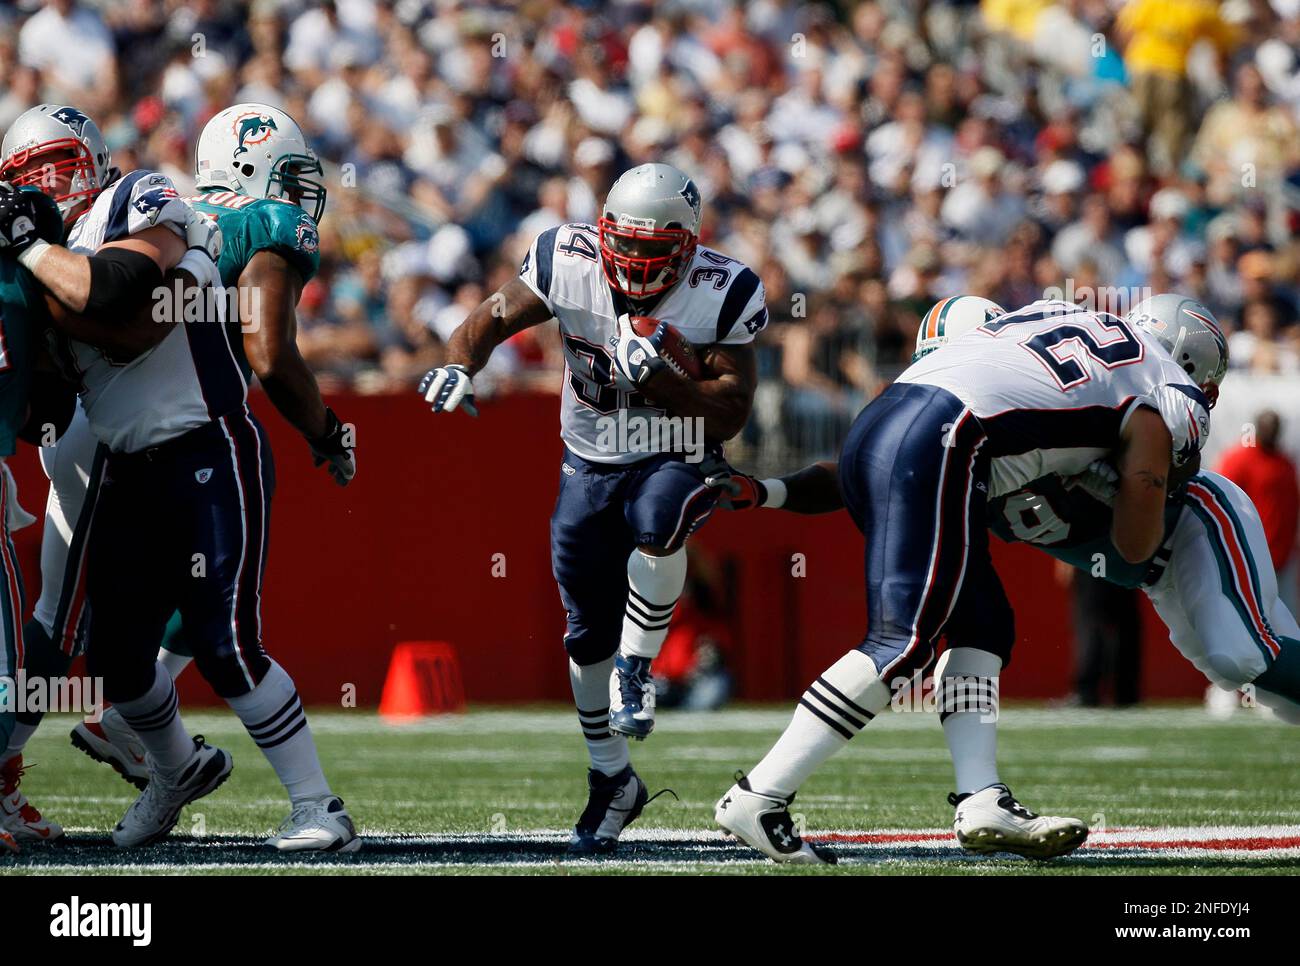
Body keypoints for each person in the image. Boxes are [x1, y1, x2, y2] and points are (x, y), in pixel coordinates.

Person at [708, 293, 1214, 864]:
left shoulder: (1048, 335)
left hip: (913, 427)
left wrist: (765, 492)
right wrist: (1130, 484)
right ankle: (760, 794)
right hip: (949, 438)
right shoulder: (1153, 390)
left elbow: (866, 464)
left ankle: (982, 797)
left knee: (984, 624)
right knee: (902, 643)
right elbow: (1134, 543)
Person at [418, 162, 764, 854]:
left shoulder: (723, 290)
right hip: (589, 457)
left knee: (659, 524)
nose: (634, 261)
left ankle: (640, 664)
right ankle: (612, 777)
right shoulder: (564, 257)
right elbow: (489, 317)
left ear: (689, 246)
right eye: (624, 243)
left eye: (651, 248)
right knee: (583, 629)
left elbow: (729, 414)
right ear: (602, 232)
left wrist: (665, 381)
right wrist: (460, 362)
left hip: (676, 447)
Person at [67, 102, 359, 854]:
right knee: (147, 648)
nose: (299, 192)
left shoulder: (150, 217)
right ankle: (174, 771)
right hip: (185, 446)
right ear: (257, 165)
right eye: (291, 173)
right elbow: (267, 348)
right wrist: (325, 433)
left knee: (206, 636)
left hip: (156, 443)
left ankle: (318, 807)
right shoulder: (265, 222)